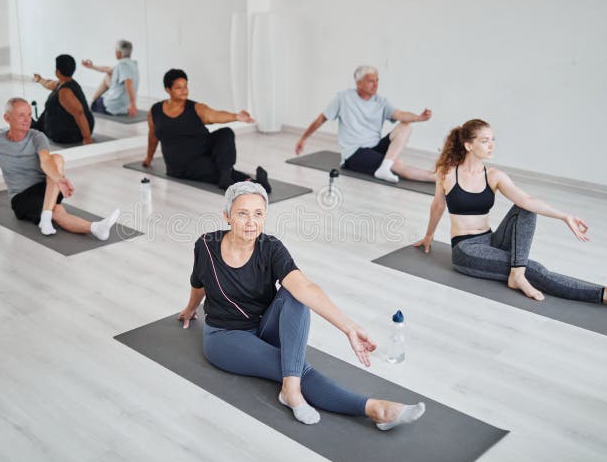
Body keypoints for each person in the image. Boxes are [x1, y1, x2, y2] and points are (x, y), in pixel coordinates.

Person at [178, 181, 427, 428]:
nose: (251, 222)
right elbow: (198, 282)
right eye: (242, 214)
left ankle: (291, 388)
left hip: (264, 328)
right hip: (225, 336)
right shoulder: (206, 245)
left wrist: (349, 327)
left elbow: (306, 287)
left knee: (295, 294)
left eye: (258, 214)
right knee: (291, 368)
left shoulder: (270, 248)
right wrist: (191, 308)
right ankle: (374, 409)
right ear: (227, 216)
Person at [414, 118, 607, 307]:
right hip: (466, 250)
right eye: (485, 141)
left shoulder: (494, 175)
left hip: (491, 240)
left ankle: (517, 274)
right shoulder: (447, 173)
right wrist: (429, 235)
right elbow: (437, 206)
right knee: (533, 269)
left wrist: (565, 217)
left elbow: (527, 200)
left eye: (493, 140)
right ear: (468, 145)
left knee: (526, 209)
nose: (492, 145)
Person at [0, 97, 120, 239]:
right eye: (21, 115)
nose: (28, 119)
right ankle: (94, 228)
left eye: (29, 115)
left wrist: (59, 180)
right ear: (7, 118)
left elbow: (45, 160)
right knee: (57, 210)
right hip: (22, 196)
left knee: (56, 158)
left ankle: (47, 216)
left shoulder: (37, 137)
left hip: (49, 186)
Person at [295, 65, 435, 183]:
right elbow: (321, 119)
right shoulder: (343, 98)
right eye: (370, 81)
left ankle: (385, 167)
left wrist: (419, 117)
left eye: (377, 80)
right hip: (354, 153)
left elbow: (400, 115)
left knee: (406, 126)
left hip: (374, 147)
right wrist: (303, 138)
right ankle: (438, 178)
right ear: (359, 83)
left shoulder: (381, 101)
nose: (375, 84)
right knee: (397, 164)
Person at [143, 69, 272, 192]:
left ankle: (232, 179)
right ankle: (256, 184)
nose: (184, 91)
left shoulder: (196, 107)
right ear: (168, 89)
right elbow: (153, 136)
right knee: (218, 170)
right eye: (178, 88)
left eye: (185, 86)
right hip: (181, 164)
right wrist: (149, 158)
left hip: (203, 150)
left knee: (226, 133)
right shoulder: (155, 111)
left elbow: (215, 115)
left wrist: (236, 117)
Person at [31, 54, 95, 144]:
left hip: (71, 134)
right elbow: (49, 84)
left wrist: (87, 138)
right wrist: (40, 79)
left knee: (27, 122)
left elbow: (79, 114)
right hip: (69, 126)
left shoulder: (65, 92)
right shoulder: (63, 83)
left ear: (57, 71)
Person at [82, 39, 139, 117]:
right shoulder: (133, 64)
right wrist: (92, 66)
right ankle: (93, 101)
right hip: (125, 107)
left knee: (94, 104)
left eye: (116, 50)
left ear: (119, 52)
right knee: (109, 75)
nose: (115, 52)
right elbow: (108, 69)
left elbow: (128, 82)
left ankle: (92, 103)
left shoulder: (122, 65)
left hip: (112, 107)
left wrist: (133, 104)